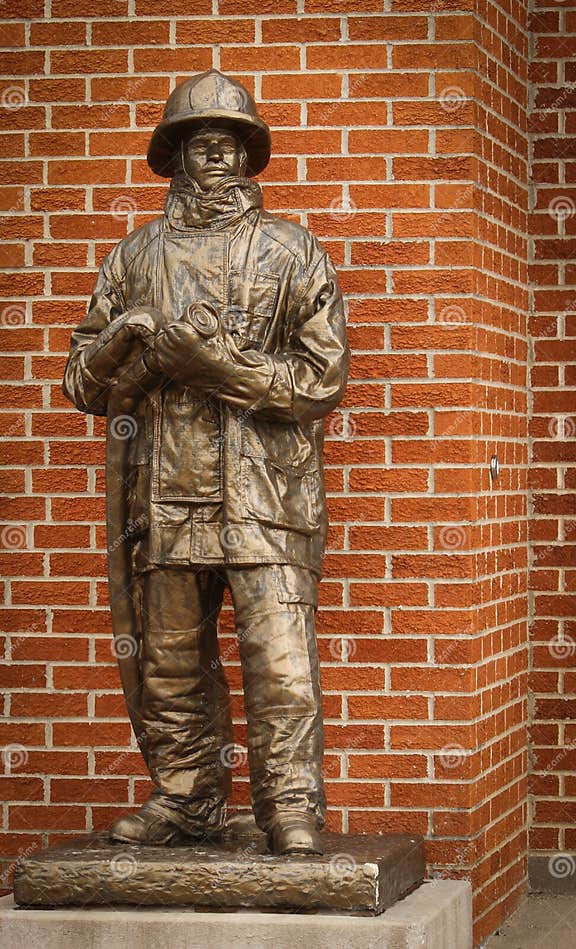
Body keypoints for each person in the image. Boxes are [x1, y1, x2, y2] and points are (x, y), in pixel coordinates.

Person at [62, 69, 349, 855]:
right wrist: (132, 339)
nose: (216, 153)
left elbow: (320, 382)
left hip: (266, 497)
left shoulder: (293, 250)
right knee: (171, 667)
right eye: (199, 141)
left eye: (230, 141)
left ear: (251, 154)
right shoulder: (132, 258)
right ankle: (185, 797)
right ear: (175, 155)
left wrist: (214, 365)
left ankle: (291, 805)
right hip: (167, 491)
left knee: (281, 666)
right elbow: (83, 383)